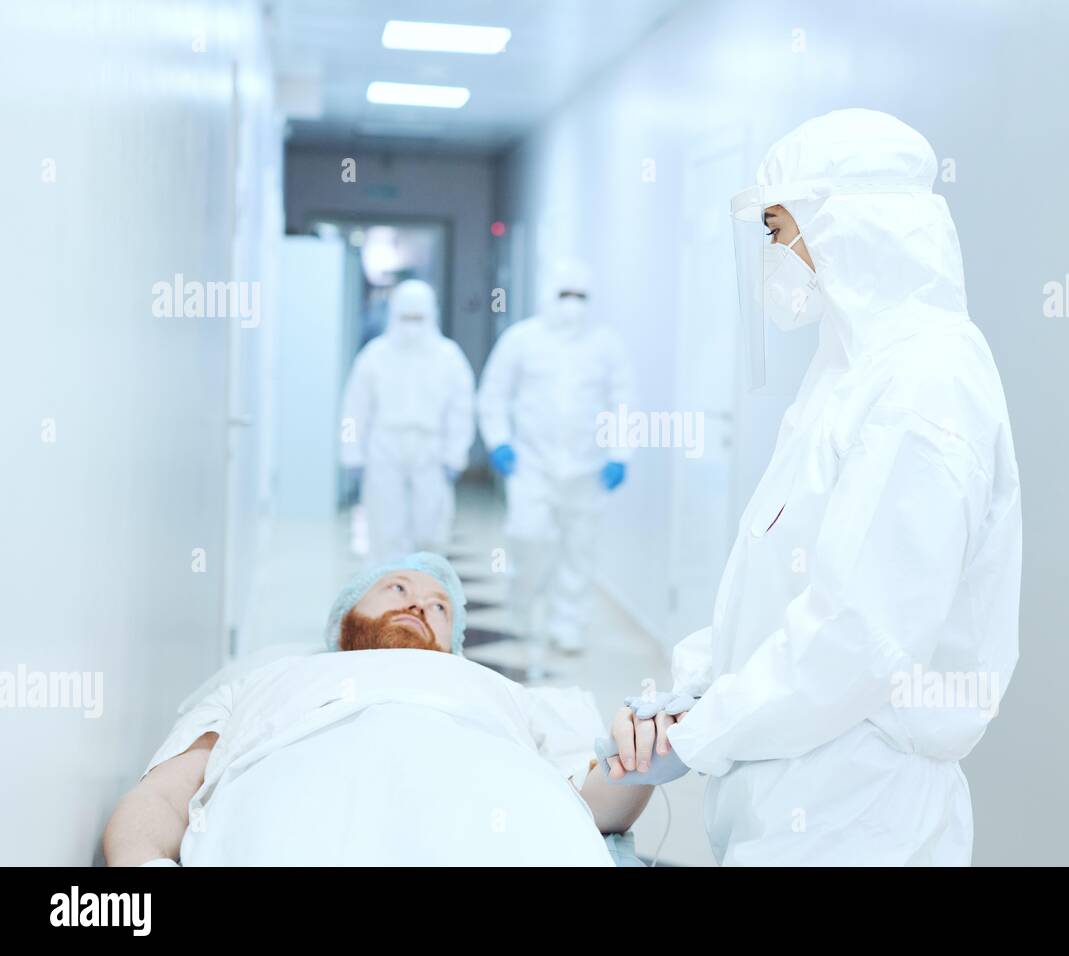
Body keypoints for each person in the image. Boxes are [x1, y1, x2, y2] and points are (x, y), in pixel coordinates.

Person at [604, 109, 1022, 866]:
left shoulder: (925, 382)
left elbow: (858, 638)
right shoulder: (847, 369)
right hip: (795, 780)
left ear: (850, 224)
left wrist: (698, 734)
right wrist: (692, 686)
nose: (772, 256)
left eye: (777, 230)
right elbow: (771, 574)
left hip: (858, 811)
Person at [101, 554, 654, 866]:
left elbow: (596, 807)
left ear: (453, 641)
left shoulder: (495, 689)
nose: (419, 602)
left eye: (440, 607)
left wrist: (643, 758)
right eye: (397, 587)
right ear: (345, 615)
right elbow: (162, 797)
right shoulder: (266, 681)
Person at [477, 258, 635, 656]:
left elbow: (624, 399)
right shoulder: (521, 339)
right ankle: (522, 606)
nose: (572, 304)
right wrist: (499, 441)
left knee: (579, 549)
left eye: (581, 296)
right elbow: (493, 393)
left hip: (587, 466)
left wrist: (620, 453)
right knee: (527, 536)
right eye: (565, 295)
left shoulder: (605, 343)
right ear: (549, 295)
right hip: (530, 464)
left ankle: (568, 624)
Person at [340, 279, 475, 562]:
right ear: (393, 314)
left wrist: (455, 454)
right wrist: (351, 453)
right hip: (384, 447)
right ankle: (386, 596)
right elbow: (354, 409)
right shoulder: (375, 355)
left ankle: (422, 595)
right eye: (405, 317)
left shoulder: (448, 356)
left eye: (418, 318)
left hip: (431, 448)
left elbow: (461, 409)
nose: (412, 326)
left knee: (431, 532)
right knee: (384, 530)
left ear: (431, 316)